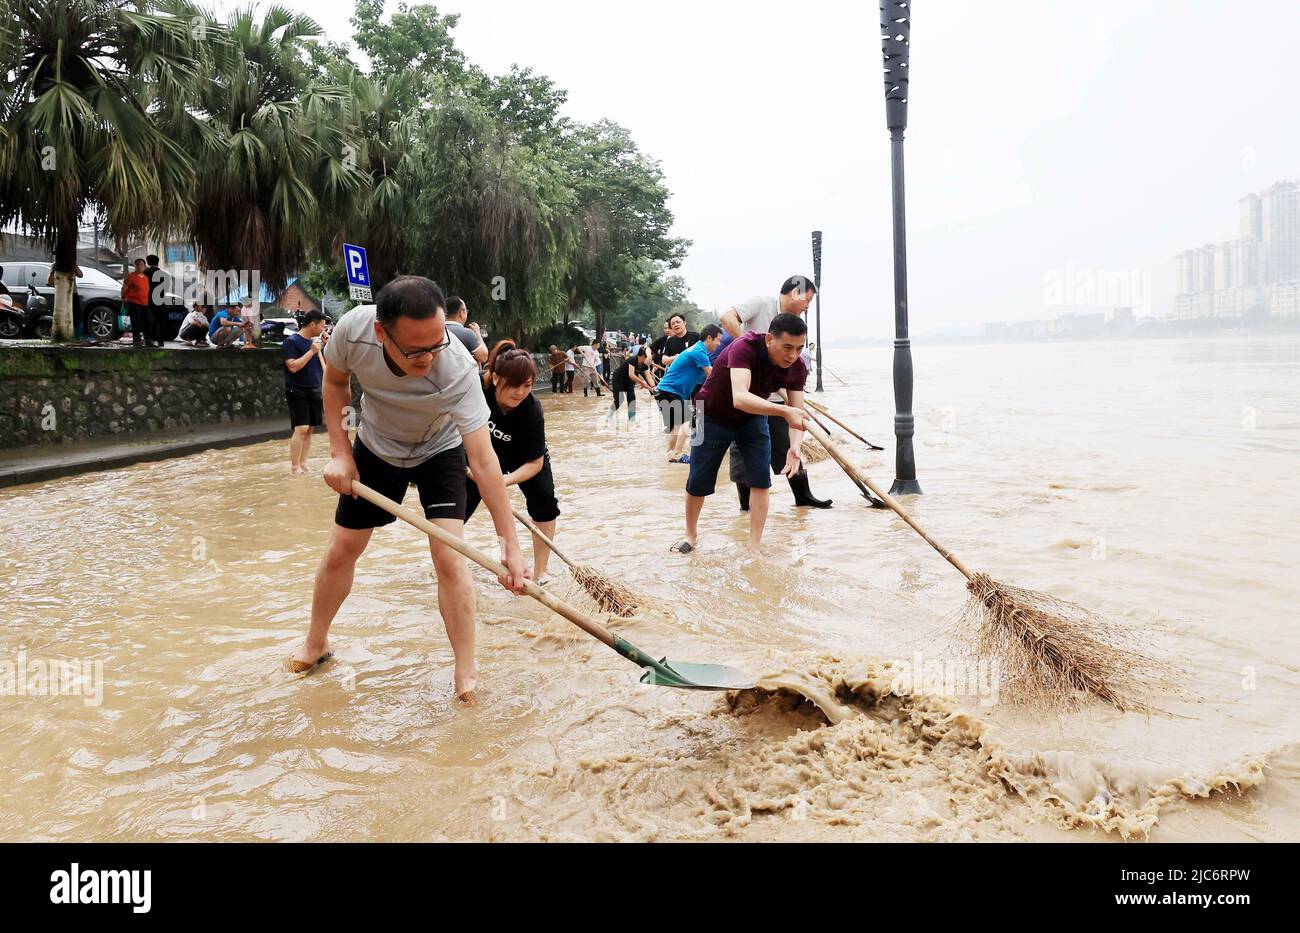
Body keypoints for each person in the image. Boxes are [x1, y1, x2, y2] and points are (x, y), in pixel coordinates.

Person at [286, 276, 528, 700]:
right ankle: (316, 643)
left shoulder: (457, 367)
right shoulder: (353, 330)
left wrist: (509, 541)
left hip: (441, 449)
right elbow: (336, 382)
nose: (428, 358)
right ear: (381, 332)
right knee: (343, 548)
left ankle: (465, 674)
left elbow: (484, 459)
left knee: (449, 557)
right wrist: (341, 452)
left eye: (436, 344)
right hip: (377, 447)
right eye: (416, 349)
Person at [673, 313, 810, 554]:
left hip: (752, 417)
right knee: (699, 477)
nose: (793, 355)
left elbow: (797, 413)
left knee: (760, 480)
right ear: (769, 339)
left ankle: (754, 547)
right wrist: (784, 410)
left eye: (799, 348)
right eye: (787, 347)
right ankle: (690, 534)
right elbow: (740, 397)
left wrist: (795, 446)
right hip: (710, 413)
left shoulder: (797, 366)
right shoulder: (744, 347)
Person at [720, 275, 831, 511]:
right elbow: (727, 316)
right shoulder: (762, 304)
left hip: (776, 398)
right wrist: (749, 348)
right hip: (748, 399)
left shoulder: (794, 326)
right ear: (795, 293)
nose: (807, 307)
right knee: (744, 453)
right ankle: (746, 507)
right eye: (807, 301)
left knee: (789, 447)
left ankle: (804, 497)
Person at [466, 348, 561, 584]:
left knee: (544, 500)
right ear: (495, 377)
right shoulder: (476, 389)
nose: (520, 393)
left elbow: (535, 463)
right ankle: (444, 561)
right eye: (513, 385)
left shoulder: (532, 410)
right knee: (455, 507)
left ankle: (540, 572)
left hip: (523, 458)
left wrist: (503, 481)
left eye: (527, 386)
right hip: (479, 454)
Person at [656, 324, 723, 462]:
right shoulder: (699, 351)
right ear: (709, 338)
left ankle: (670, 454)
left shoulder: (697, 350)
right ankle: (678, 453)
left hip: (667, 390)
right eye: (718, 339)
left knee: (677, 424)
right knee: (687, 420)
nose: (719, 343)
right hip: (671, 390)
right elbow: (712, 375)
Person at [282, 309, 328, 474]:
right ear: (312, 324)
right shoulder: (291, 341)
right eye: (321, 326)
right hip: (297, 389)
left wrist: (325, 347)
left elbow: (324, 367)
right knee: (301, 428)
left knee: (310, 429)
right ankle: (294, 467)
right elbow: (292, 367)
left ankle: (303, 463)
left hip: (314, 389)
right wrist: (311, 351)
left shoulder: (314, 343)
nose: (323, 329)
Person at [607, 345, 652, 421]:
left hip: (629, 381)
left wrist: (653, 387)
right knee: (619, 400)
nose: (649, 360)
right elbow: (631, 374)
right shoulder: (633, 360)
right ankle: (609, 417)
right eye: (647, 357)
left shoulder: (644, 365)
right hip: (619, 379)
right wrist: (642, 383)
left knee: (632, 399)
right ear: (642, 356)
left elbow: (649, 377)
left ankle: (632, 420)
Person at [444, 296, 488, 365]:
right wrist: (477, 333)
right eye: (466, 311)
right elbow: (483, 357)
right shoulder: (467, 334)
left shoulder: (436, 331)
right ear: (462, 313)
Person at [121, 258, 151, 348]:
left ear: (144, 266)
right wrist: (123, 301)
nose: (139, 267)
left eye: (141, 265)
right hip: (133, 302)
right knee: (136, 321)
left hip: (144, 303)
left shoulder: (146, 278)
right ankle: (137, 341)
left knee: (147, 321)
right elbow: (124, 289)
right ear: (135, 266)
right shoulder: (131, 276)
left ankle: (148, 340)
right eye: (137, 265)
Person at [143, 255, 166, 347]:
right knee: (161, 321)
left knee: (148, 320)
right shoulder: (162, 273)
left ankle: (149, 339)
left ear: (148, 263)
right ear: (158, 262)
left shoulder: (145, 273)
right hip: (159, 299)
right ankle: (160, 340)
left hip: (147, 299)